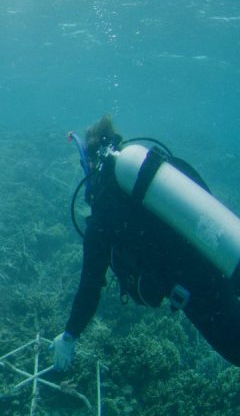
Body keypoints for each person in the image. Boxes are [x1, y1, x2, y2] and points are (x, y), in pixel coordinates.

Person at [52, 115, 240, 370]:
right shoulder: (154, 168)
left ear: (92, 162)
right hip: (221, 256)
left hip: (197, 290)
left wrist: (69, 336)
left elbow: (91, 283)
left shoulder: (106, 204)